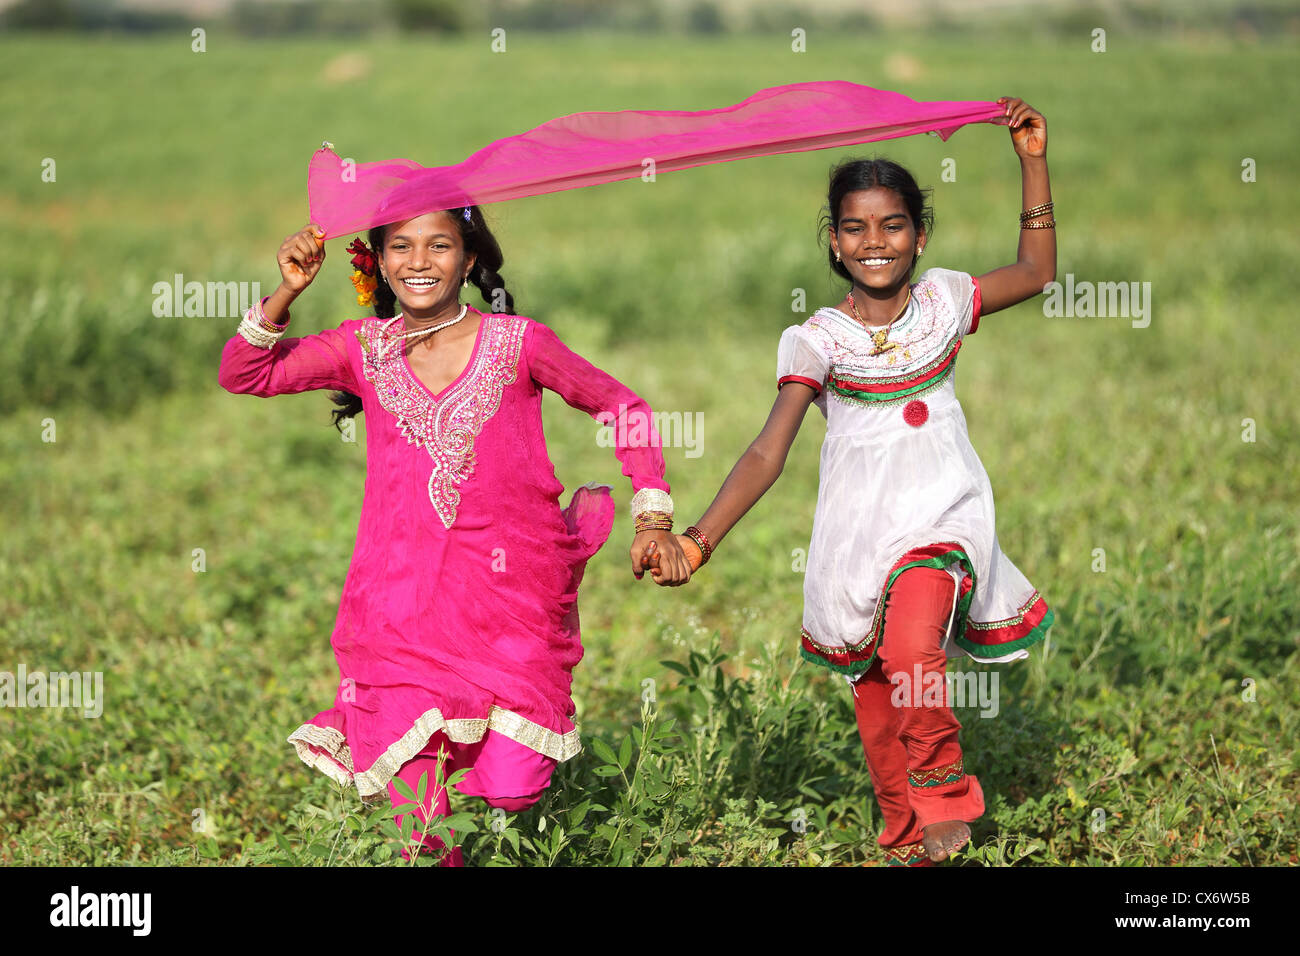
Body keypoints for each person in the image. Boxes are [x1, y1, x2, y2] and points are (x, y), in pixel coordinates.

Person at [643, 96, 1056, 866]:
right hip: (857, 537)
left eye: (893, 225)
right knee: (877, 702)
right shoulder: (818, 339)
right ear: (834, 242)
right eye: (857, 228)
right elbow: (769, 451)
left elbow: (1036, 272)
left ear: (919, 235)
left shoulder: (943, 302)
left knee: (912, 653)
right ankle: (905, 837)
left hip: (942, 519)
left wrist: (1031, 158)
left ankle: (943, 798)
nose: (877, 242)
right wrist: (699, 540)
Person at [218, 204, 691, 865]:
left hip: (512, 604)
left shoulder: (518, 342)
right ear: (376, 263)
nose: (419, 261)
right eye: (401, 248)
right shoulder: (363, 349)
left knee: (512, 787)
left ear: (469, 260)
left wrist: (653, 513)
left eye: (439, 245)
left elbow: (621, 405)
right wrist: (289, 288)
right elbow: (245, 373)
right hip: (400, 609)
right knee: (421, 826)